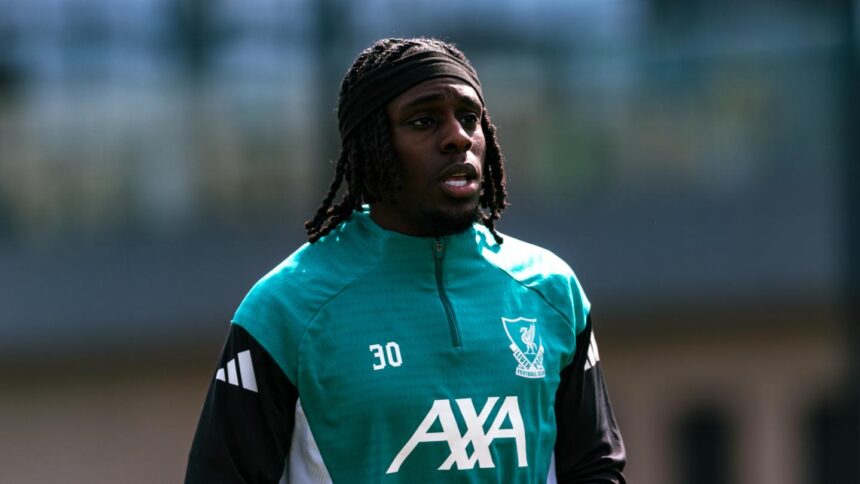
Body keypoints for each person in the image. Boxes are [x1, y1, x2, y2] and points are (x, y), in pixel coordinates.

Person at [186, 37, 626, 483]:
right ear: (373, 144)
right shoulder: (285, 308)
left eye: (470, 118)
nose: (458, 137)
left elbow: (595, 467)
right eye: (423, 120)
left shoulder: (551, 290)